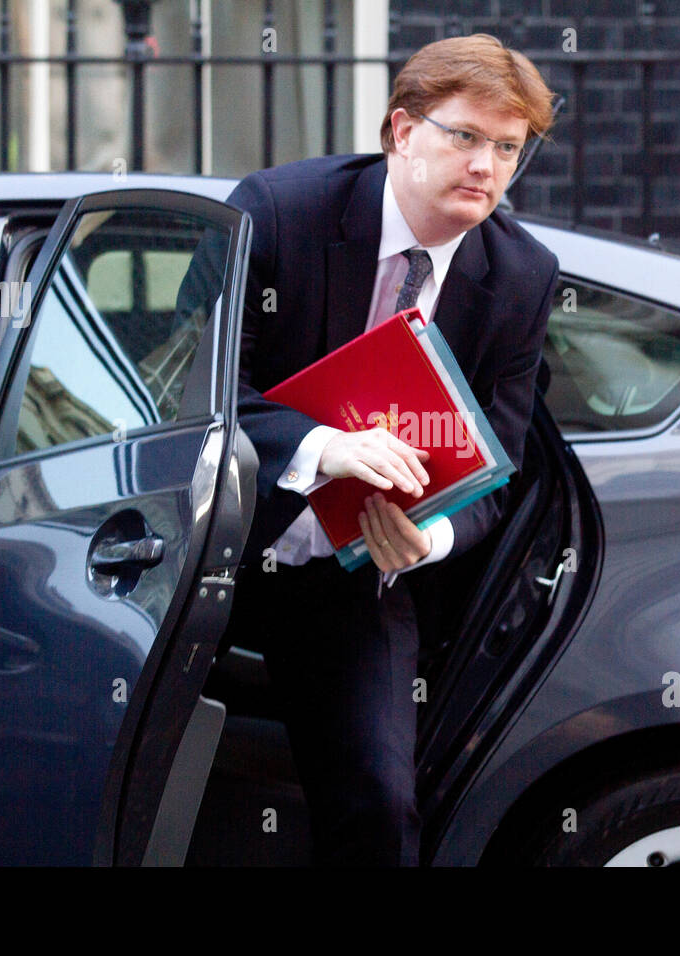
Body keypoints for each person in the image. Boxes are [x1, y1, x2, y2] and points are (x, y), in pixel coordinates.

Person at [199, 33, 559, 866]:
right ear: (402, 130)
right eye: (464, 136)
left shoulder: (521, 275)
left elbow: (499, 466)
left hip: (356, 576)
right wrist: (320, 445)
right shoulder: (279, 212)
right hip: (214, 545)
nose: (487, 166)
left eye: (509, 148)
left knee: (380, 799)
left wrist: (431, 537)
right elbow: (194, 386)